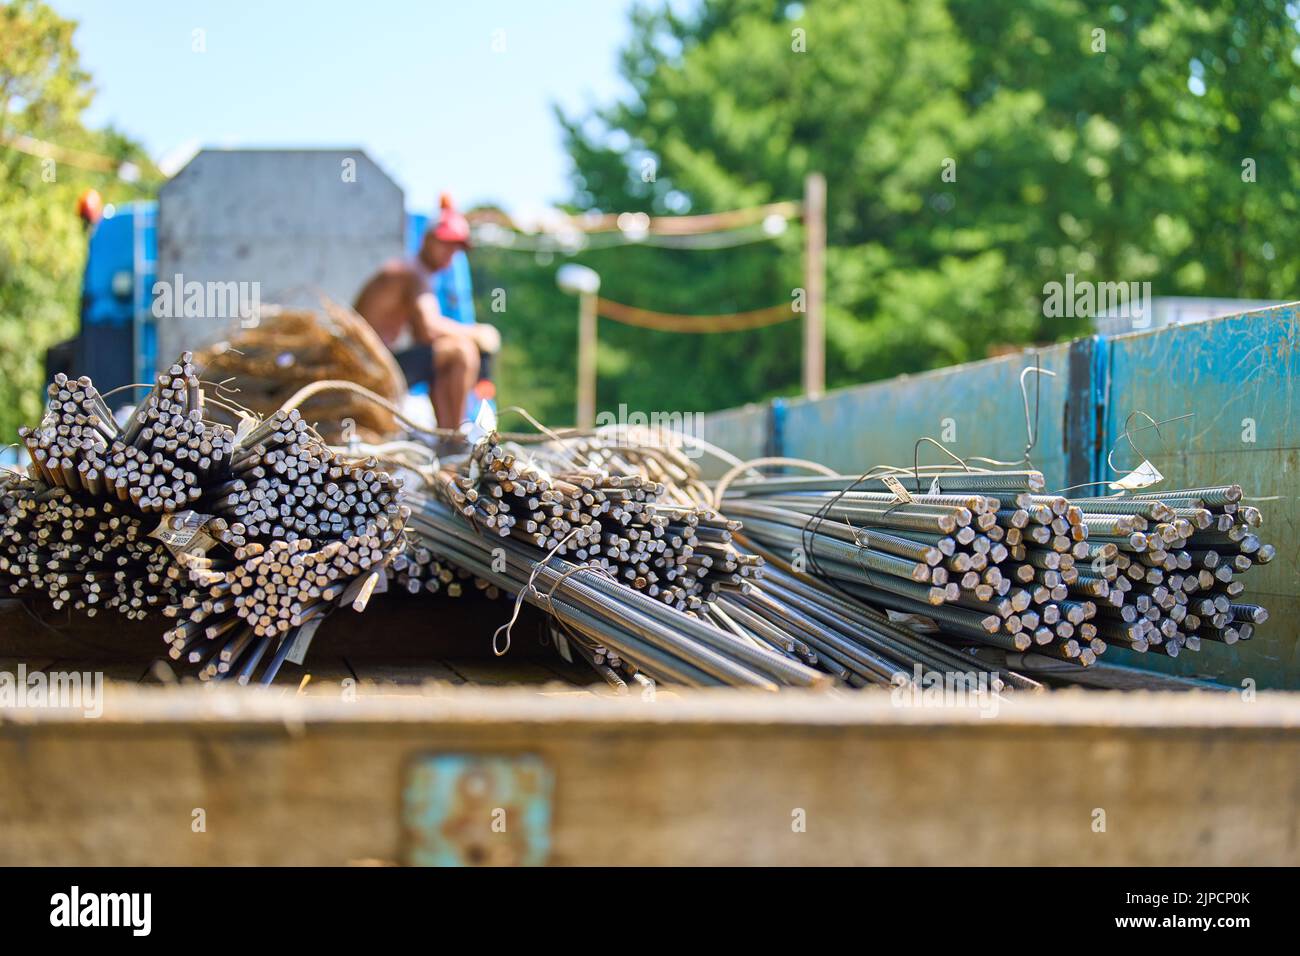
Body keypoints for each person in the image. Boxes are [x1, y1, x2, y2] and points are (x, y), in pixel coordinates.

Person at [353, 195, 499, 427]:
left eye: (455, 250)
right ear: (428, 240)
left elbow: (424, 337)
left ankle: (448, 435)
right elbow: (429, 330)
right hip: (371, 368)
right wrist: (477, 333)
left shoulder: (415, 274)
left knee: (444, 355)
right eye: (445, 245)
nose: (449, 255)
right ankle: (452, 438)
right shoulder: (412, 273)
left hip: (379, 364)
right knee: (460, 351)